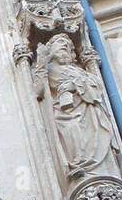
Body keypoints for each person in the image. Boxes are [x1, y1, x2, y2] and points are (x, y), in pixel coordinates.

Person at [34, 34, 116, 179]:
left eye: (68, 46)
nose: (65, 47)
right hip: (66, 111)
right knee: (72, 129)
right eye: (60, 43)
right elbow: (38, 90)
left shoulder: (79, 70)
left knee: (94, 136)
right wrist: (41, 62)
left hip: (88, 109)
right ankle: (78, 164)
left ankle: (94, 169)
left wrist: (74, 84)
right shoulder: (49, 69)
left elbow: (96, 85)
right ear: (51, 50)